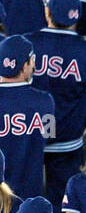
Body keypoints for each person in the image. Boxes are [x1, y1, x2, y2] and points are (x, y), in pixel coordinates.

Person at [28, 0, 86, 213]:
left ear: (47, 11)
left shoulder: (26, 43)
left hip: (28, 135)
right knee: (64, 205)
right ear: (77, 15)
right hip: (67, 139)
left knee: (22, 202)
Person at [0, 37, 56, 202]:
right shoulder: (46, 101)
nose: (34, 66)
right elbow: (48, 138)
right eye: (32, 61)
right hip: (30, 196)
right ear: (24, 66)